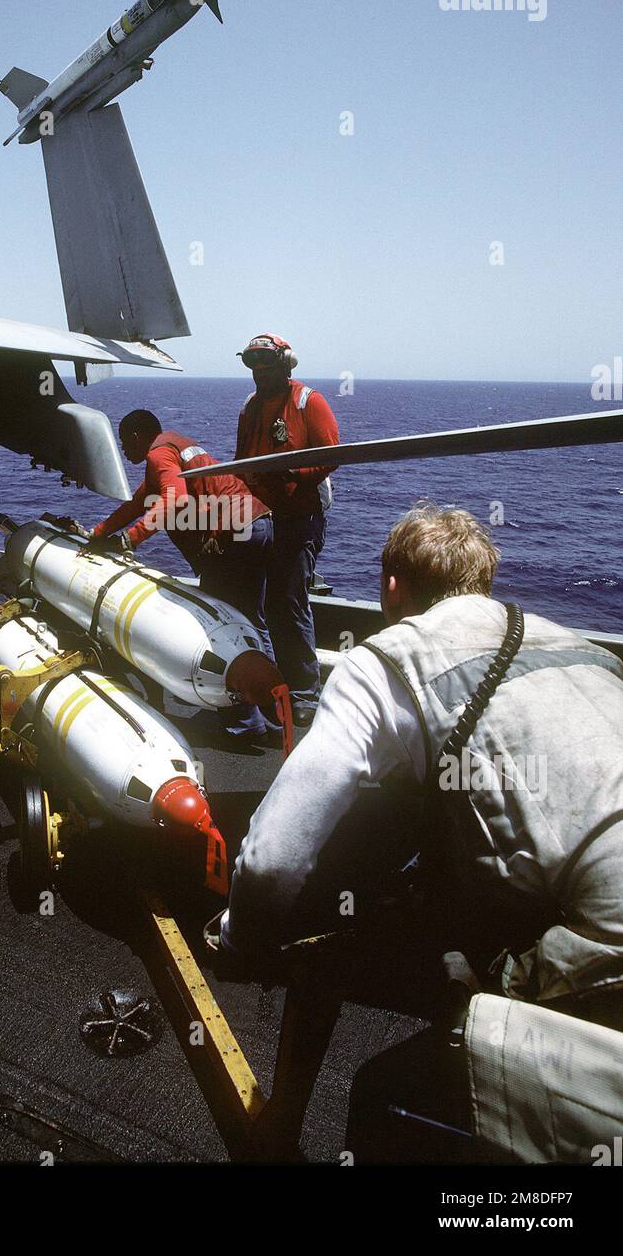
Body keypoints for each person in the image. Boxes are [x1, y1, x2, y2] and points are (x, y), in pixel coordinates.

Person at [214, 504, 623, 1156]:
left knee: (388, 1094)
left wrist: (239, 937)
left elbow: (271, 858)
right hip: (585, 894)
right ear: (482, 584)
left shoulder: (383, 664)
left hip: (602, 946)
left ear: (391, 587)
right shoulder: (580, 648)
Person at [82, 408, 277, 740]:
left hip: (232, 533)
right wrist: (99, 532)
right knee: (251, 621)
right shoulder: (172, 449)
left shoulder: (159, 454)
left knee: (220, 626)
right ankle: (273, 710)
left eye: (123, 442)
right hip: (257, 523)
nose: (123, 450)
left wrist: (129, 539)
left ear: (136, 435)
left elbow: (173, 501)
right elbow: (138, 503)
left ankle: (245, 721)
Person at [235, 334, 339, 727]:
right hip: (259, 520)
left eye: (266, 364)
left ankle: (304, 695)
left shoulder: (308, 402)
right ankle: (266, 686)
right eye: (252, 364)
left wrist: (291, 473)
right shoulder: (250, 407)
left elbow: (331, 456)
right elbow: (241, 461)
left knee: (289, 603)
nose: (259, 372)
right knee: (255, 602)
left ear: (286, 363)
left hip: (299, 519)